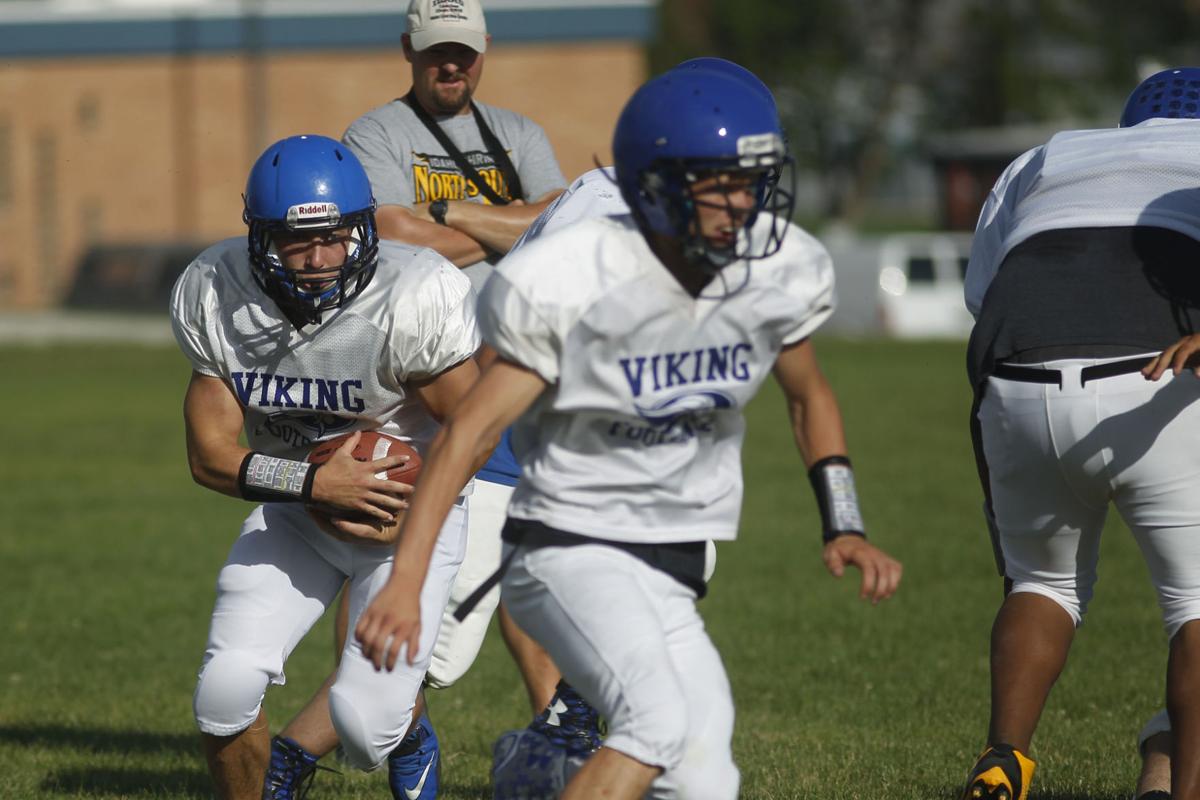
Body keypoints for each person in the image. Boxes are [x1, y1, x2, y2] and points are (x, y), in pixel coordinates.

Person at [354, 64, 902, 800]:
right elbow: (470, 433)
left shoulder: (775, 266)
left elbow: (808, 395)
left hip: (671, 557)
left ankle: (537, 773)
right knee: (654, 722)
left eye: (753, 180)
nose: (743, 204)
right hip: (569, 545)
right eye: (720, 183)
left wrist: (845, 522)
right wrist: (410, 581)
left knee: (706, 780)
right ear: (657, 182)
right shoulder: (576, 275)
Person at [169, 134, 481, 800]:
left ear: (363, 229)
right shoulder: (216, 291)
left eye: (335, 238)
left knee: (367, 728)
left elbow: (473, 428)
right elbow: (209, 455)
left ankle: (409, 727)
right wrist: (313, 483)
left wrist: (403, 500)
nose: (318, 260)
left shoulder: (413, 292)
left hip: (406, 523)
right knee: (223, 694)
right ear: (260, 239)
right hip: (296, 513)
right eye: (295, 242)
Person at [959, 66, 1200, 800]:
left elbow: (983, 291)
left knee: (1044, 583)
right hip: (1154, 373)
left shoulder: (1052, 153)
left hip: (1014, 373)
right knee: (1196, 603)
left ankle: (1005, 760)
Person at [341, 0, 567, 296]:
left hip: (515, 327)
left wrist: (445, 211)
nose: (451, 66)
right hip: (425, 334)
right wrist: (512, 228)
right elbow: (393, 238)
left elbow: (561, 224)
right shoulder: (372, 134)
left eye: (464, 51)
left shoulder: (522, 132)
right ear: (408, 48)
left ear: (485, 47)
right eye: (436, 51)